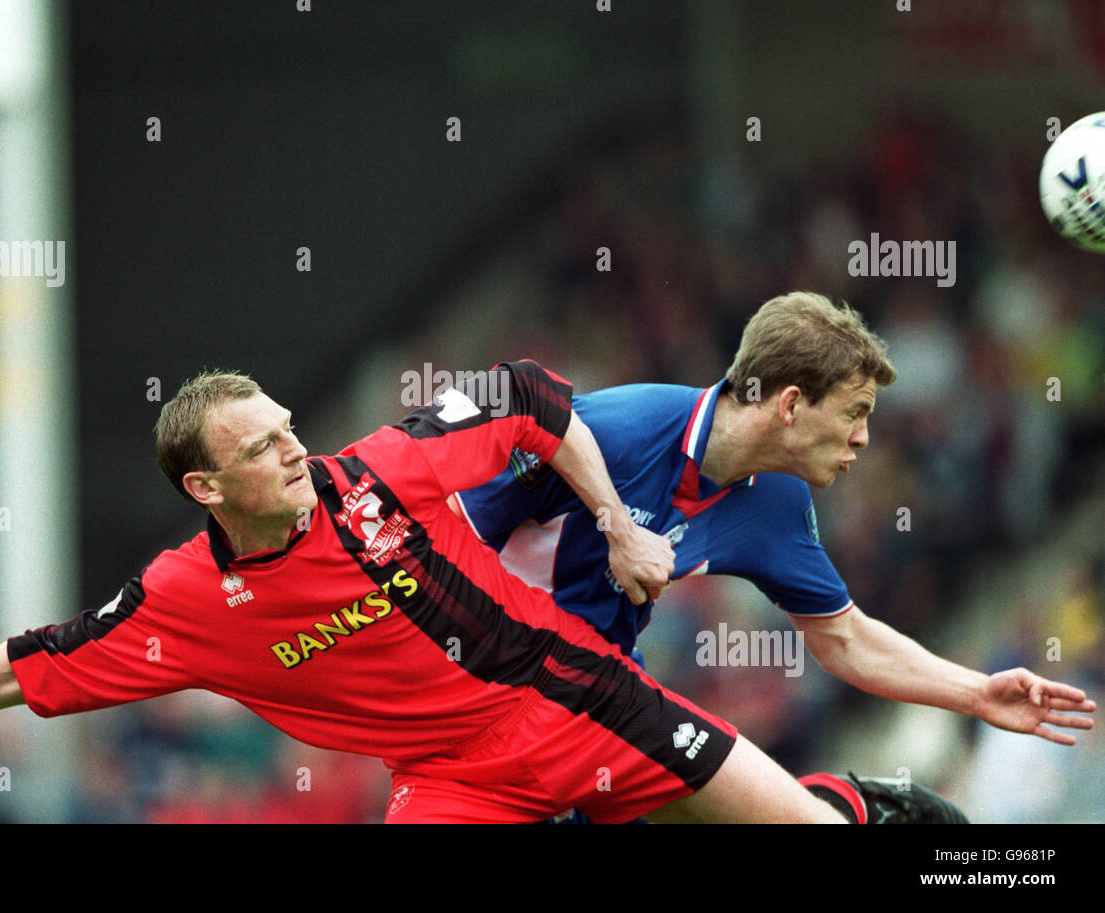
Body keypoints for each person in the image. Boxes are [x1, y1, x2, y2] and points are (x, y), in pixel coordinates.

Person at [0, 358, 878, 823]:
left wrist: (612, 520)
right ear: (204, 484)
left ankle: (884, 808)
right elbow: (40, 656)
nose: (293, 447)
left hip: (578, 700)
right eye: (263, 444)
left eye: (286, 425)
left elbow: (528, 395)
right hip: (451, 779)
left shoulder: (380, 471)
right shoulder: (183, 598)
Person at [451, 293, 1096, 821]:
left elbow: (845, 640)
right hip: (490, 701)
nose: (865, 438)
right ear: (790, 404)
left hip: (601, 708)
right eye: (855, 413)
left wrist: (978, 693)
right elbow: (452, 535)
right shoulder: (619, 429)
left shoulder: (777, 502)